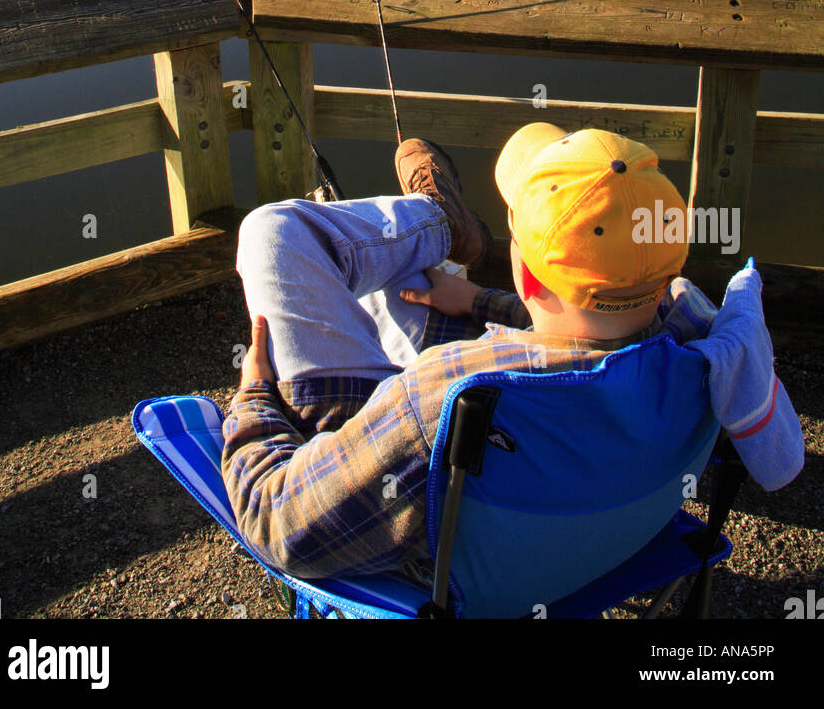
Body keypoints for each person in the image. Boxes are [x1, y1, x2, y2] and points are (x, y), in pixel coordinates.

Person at [221, 124, 803, 590]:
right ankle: (432, 225)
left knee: (275, 233)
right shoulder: (706, 342)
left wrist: (252, 401)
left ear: (524, 271)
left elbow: (279, 523)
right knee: (397, 291)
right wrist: (477, 301)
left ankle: (434, 221)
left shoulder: (440, 398)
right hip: (608, 535)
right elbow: (598, 332)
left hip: (450, 556)